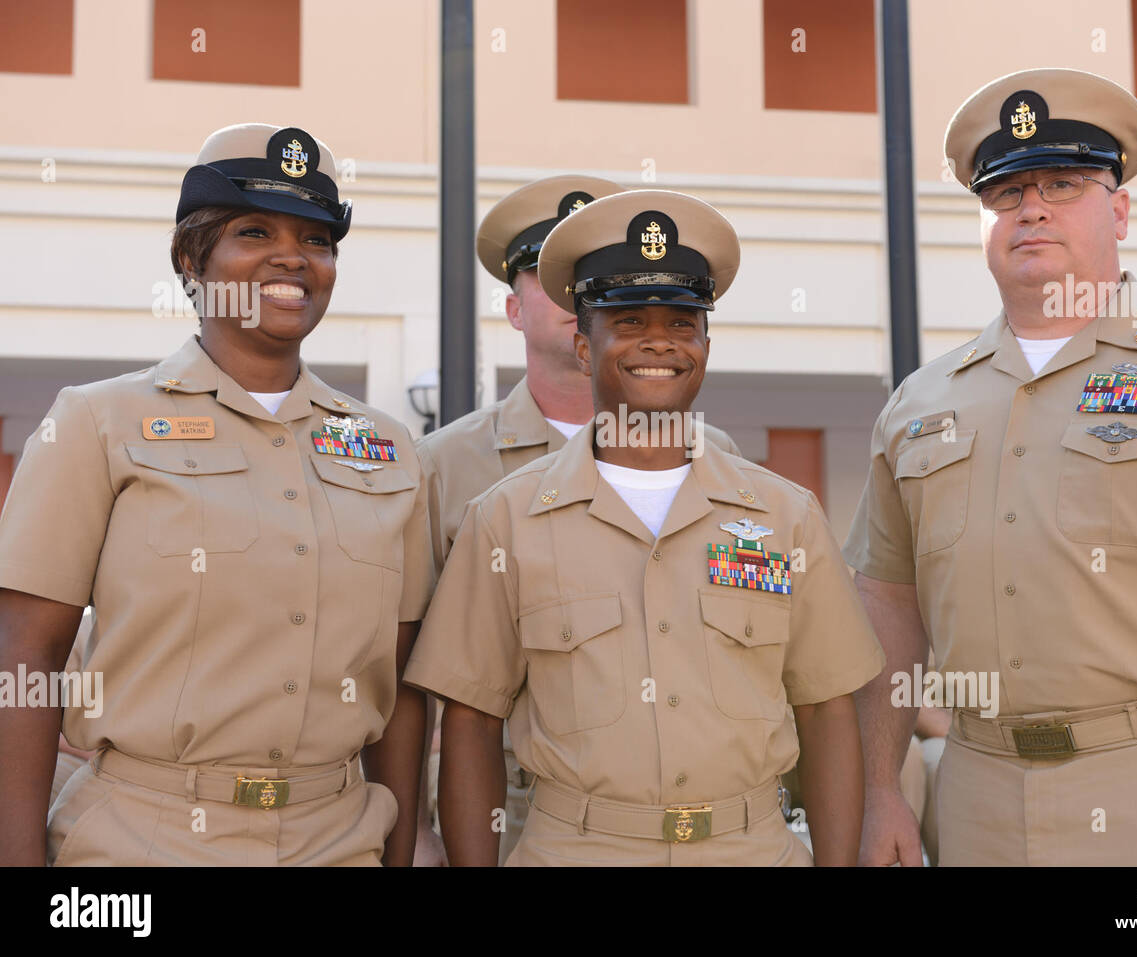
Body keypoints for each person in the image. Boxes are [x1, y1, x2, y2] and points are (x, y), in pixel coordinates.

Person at [846, 67, 1137, 866]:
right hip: (976, 805)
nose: (1032, 208)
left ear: (1119, 209)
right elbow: (887, 609)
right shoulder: (918, 403)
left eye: (1063, 182)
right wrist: (881, 787)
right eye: (1007, 191)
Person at [405, 189, 883, 865]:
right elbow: (472, 722)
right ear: (582, 343)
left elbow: (828, 710)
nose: (658, 342)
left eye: (682, 323)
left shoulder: (786, 516)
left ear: (707, 344)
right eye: (628, 321)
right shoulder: (505, 519)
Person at [0, 123, 433, 866]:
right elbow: (22, 656)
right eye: (254, 230)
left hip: (338, 840)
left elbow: (396, 684)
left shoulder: (391, 450)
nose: (292, 256)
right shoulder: (96, 421)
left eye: (317, 239)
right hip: (141, 842)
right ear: (190, 258)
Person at [415, 175, 741, 864]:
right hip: (506, 809)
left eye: (595, 278)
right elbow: (404, 673)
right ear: (511, 305)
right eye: (550, 276)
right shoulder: (440, 467)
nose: (574, 298)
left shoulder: (722, 463)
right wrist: (415, 828)